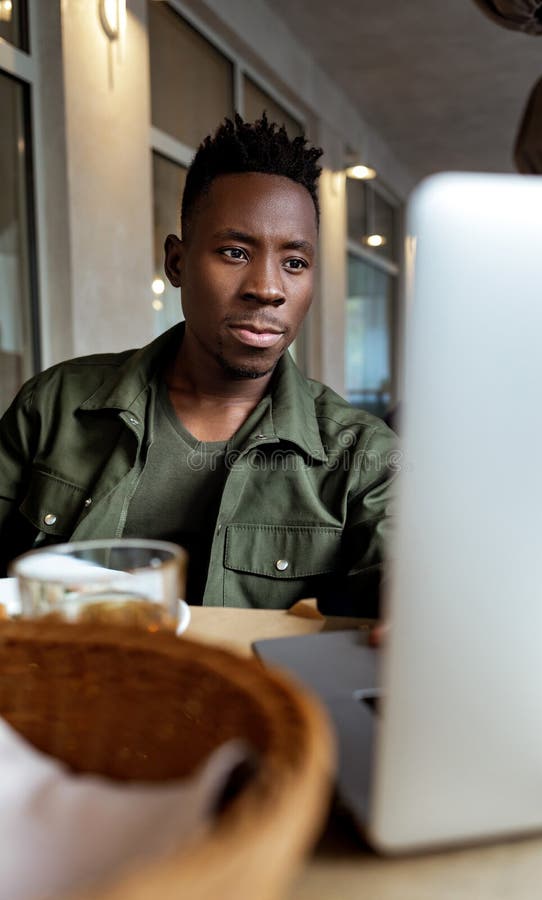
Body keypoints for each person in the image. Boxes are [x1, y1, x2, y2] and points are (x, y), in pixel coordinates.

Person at [0, 115, 397, 616]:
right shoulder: (54, 406)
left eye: (294, 263)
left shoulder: (362, 454)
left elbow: (409, 573)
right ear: (177, 263)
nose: (268, 288)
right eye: (235, 252)